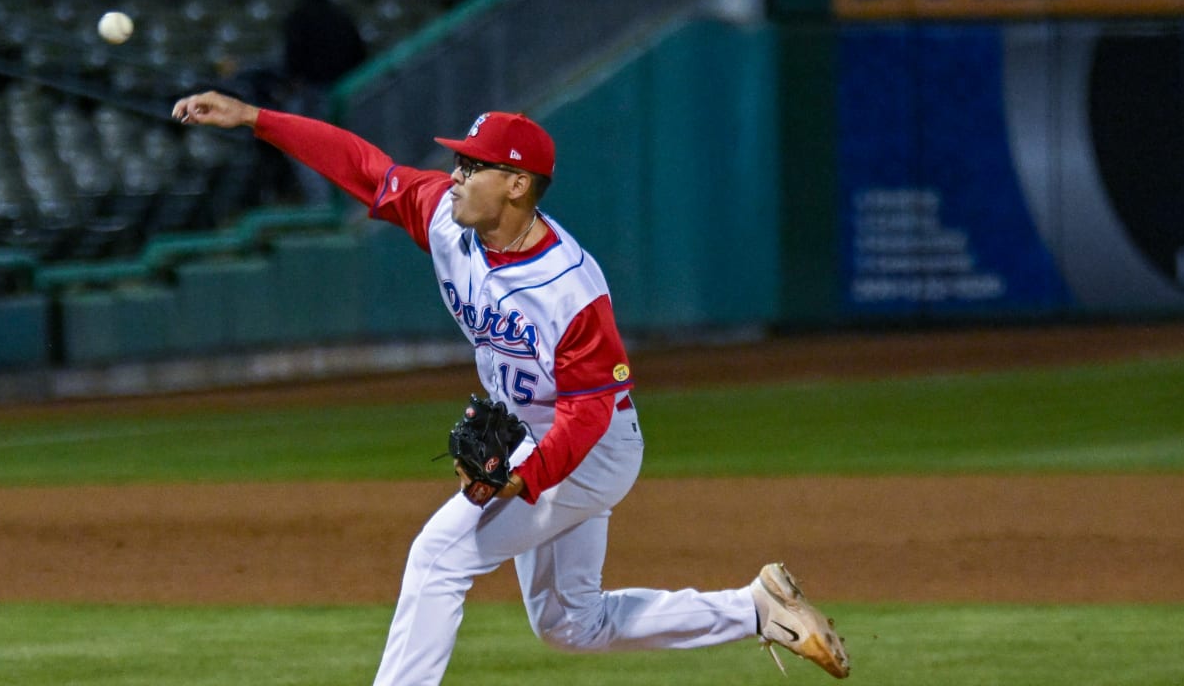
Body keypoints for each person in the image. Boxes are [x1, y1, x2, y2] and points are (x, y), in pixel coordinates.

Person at [170, 91, 852, 684]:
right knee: (569, 624)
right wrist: (255, 118)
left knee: (438, 557)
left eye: (472, 166)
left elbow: (585, 417)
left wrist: (521, 480)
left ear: (517, 185)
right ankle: (754, 609)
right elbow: (363, 167)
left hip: (589, 450)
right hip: (536, 438)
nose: (455, 175)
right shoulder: (445, 219)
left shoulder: (570, 288)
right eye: (458, 162)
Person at [279, 0, 367, 205]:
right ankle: (345, 199)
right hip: (341, 93)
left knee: (305, 147)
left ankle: (323, 202)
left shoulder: (298, 16)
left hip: (312, 93)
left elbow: (292, 60)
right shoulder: (341, 17)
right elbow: (360, 56)